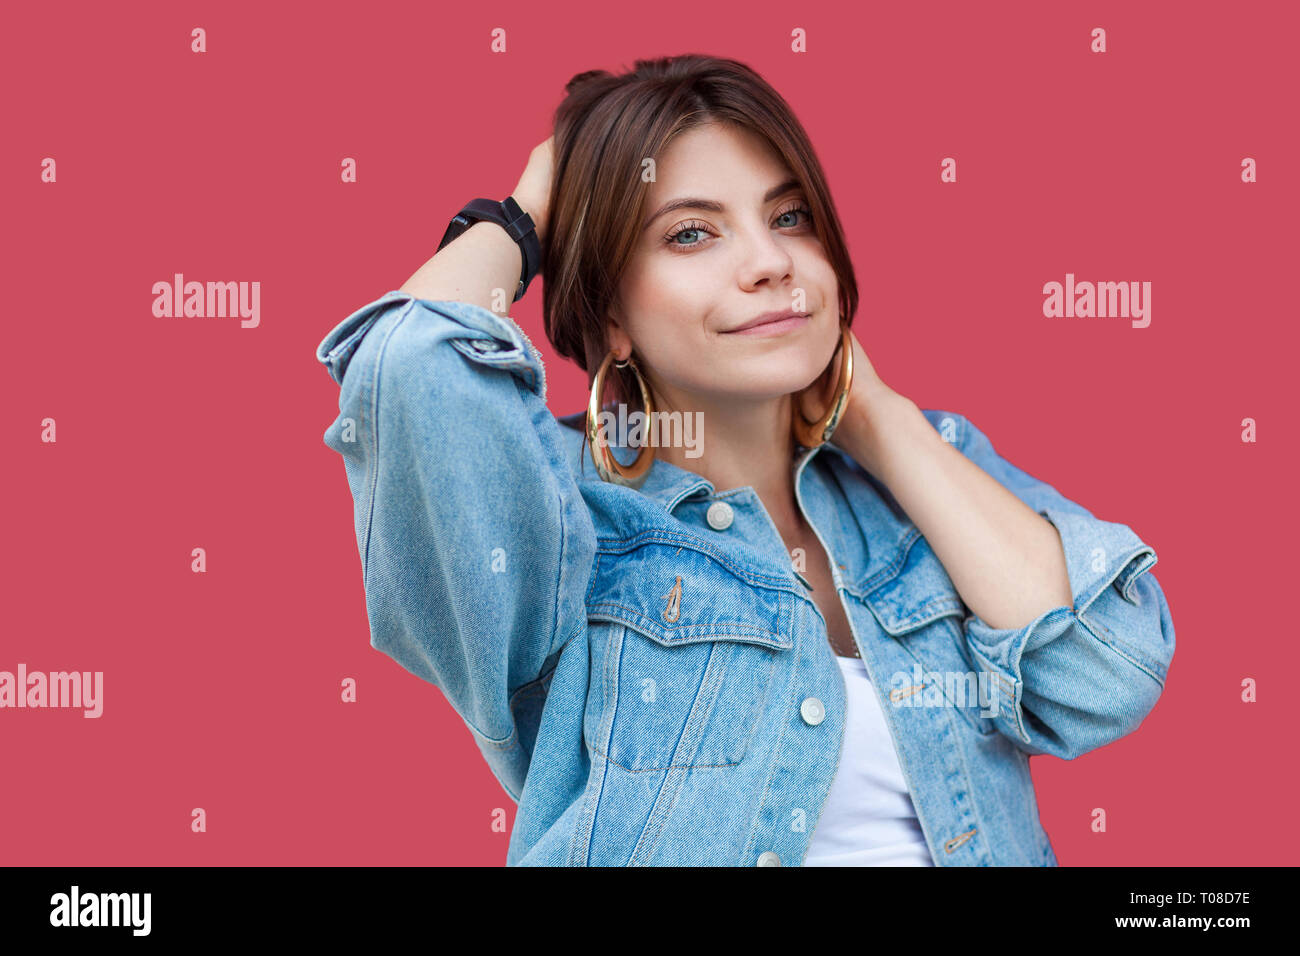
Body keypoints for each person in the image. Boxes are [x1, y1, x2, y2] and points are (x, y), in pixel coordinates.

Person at [314, 54, 1175, 866]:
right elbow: (408, 370)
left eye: (790, 217)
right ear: (611, 315)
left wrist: (875, 417)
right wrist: (522, 217)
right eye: (692, 234)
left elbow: (1100, 675)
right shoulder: (566, 512)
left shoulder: (924, 468)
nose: (770, 264)